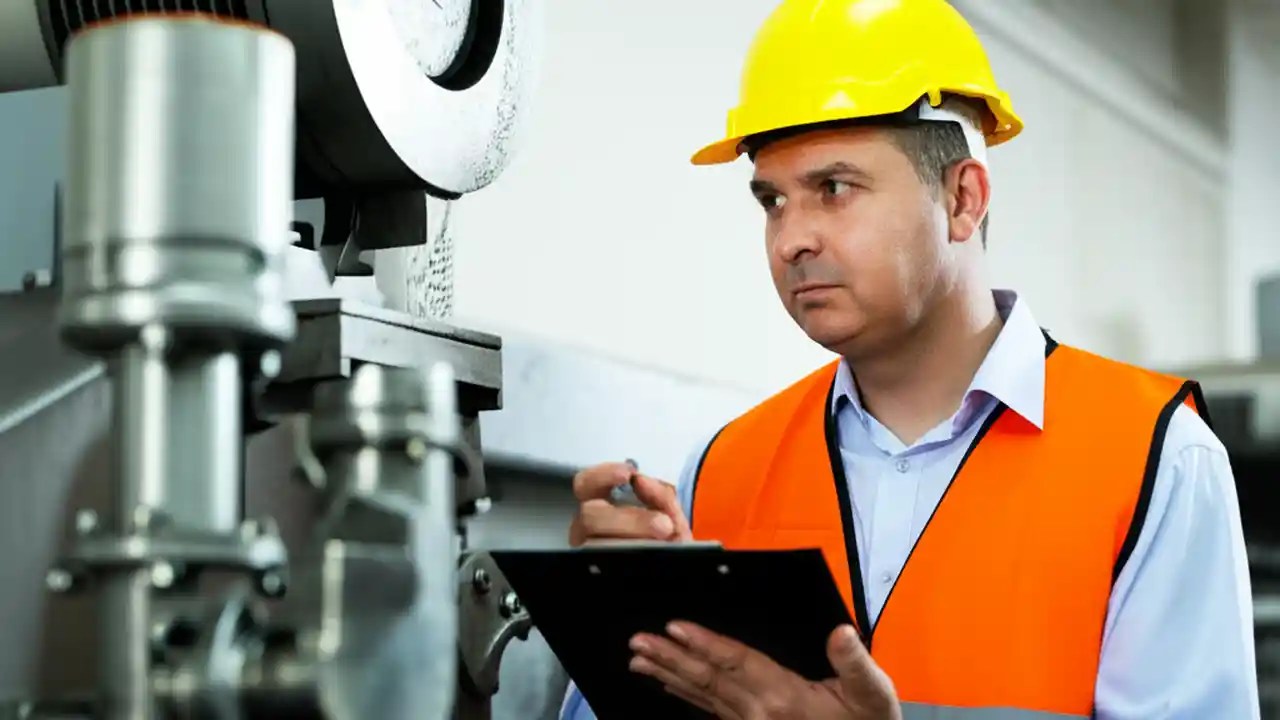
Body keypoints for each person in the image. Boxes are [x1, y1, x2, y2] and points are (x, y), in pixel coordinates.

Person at [559, 0, 1259, 718]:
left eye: (833, 189)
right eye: (772, 200)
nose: (789, 239)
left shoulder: (1154, 459)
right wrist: (628, 627)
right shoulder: (721, 472)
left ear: (963, 198)